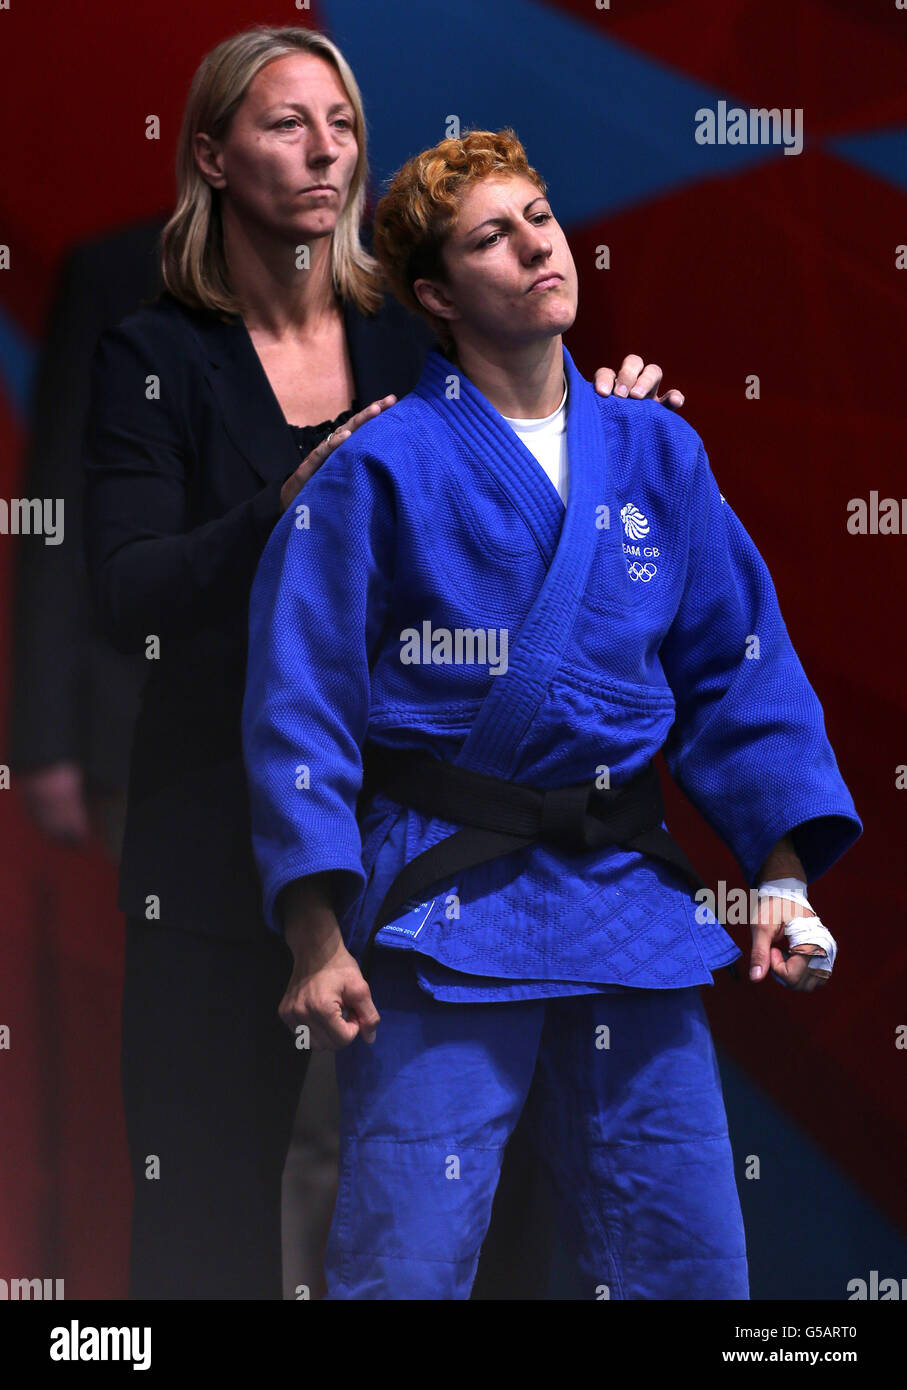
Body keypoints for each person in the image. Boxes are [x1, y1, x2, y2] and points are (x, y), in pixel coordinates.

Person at [81, 26, 679, 1300]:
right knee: (203, 1186)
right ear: (212, 156)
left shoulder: (415, 340)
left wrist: (612, 445)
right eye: (286, 122)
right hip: (212, 829)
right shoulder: (153, 353)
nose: (324, 149)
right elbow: (125, 589)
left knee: (462, 1191)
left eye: (341, 123)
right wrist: (292, 499)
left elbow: (535, 505)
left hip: (425, 835)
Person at [241, 128, 863, 1300]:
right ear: (433, 293)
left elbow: (739, 671)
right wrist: (315, 933)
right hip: (443, 901)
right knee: (405, 1260)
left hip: (627, 902)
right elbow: (298, 702)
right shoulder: (379, 467)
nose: (535, 244)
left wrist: (779, 870)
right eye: (491, 235)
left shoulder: (658, 450)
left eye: (539, 216)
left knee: (688, 1260)